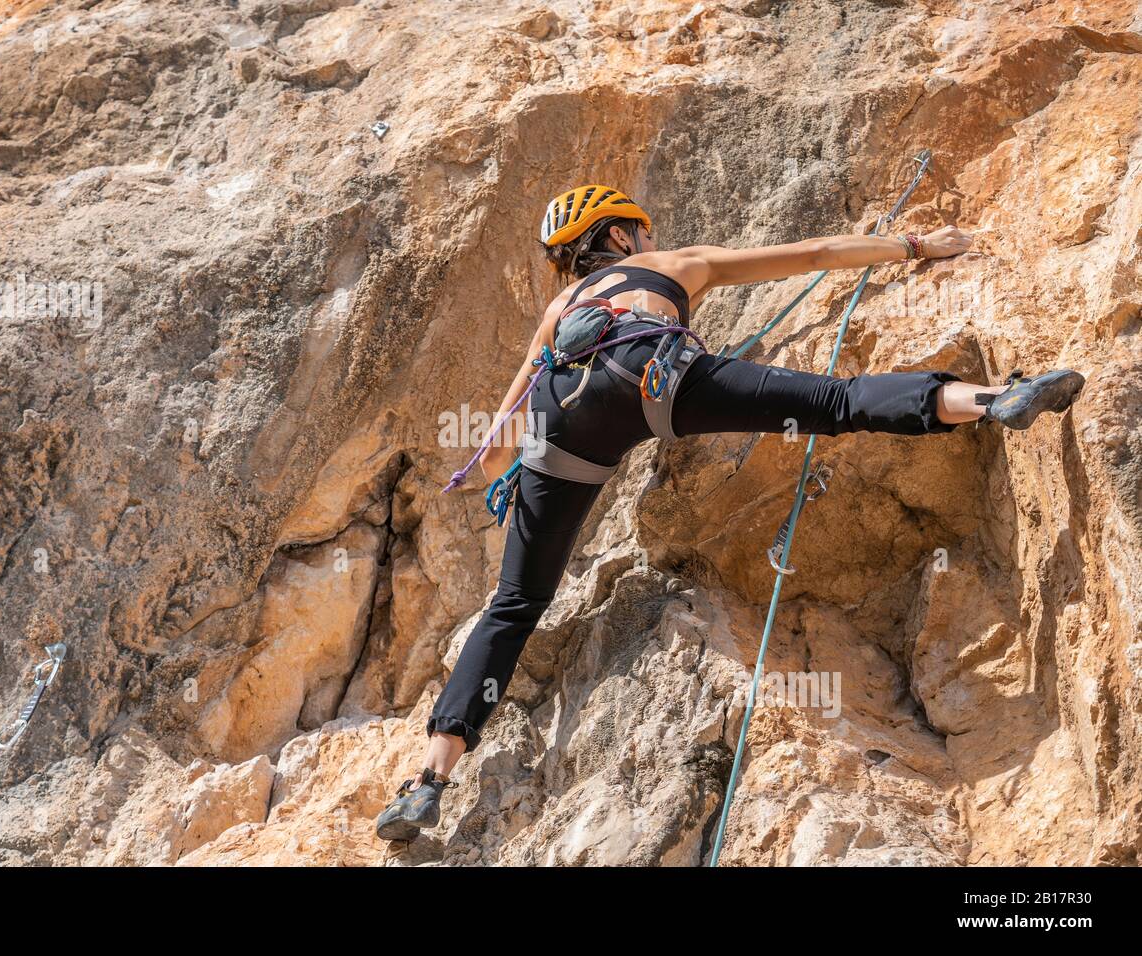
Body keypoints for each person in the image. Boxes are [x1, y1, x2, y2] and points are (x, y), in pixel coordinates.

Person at [375, 185, 1085, 842]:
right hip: (656, 376)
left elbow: (503, 429)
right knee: (834, 404)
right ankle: (993, 401)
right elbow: (813, 256)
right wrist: (915, 246)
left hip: (560, 427)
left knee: (514, 605)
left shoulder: (560, 311)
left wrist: (482, 478)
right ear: (619, 235)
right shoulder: (674, 264)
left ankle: (428, 780)